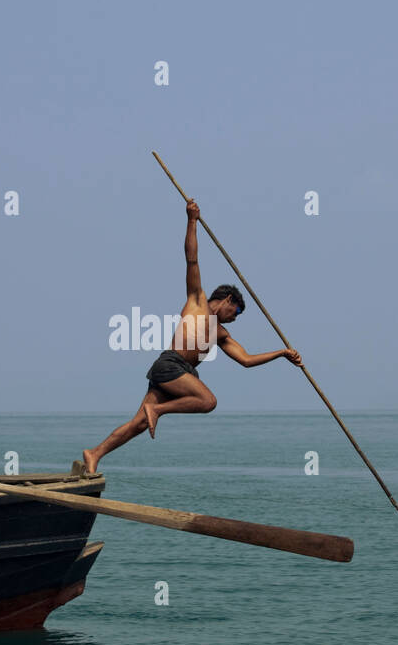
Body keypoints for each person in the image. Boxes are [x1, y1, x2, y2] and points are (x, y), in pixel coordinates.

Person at [81, 199, 301, 474]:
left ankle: (94, 453)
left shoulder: (221, 334)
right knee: (208, 401)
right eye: (236, 312)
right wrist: (191, 220)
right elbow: (192, 258)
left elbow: (246, 360)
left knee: (139, 424)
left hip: (179, 374)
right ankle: (158, 411)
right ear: (228, 300)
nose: (235, 317)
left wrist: (281, 353)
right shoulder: (197, 300)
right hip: (170, 365)